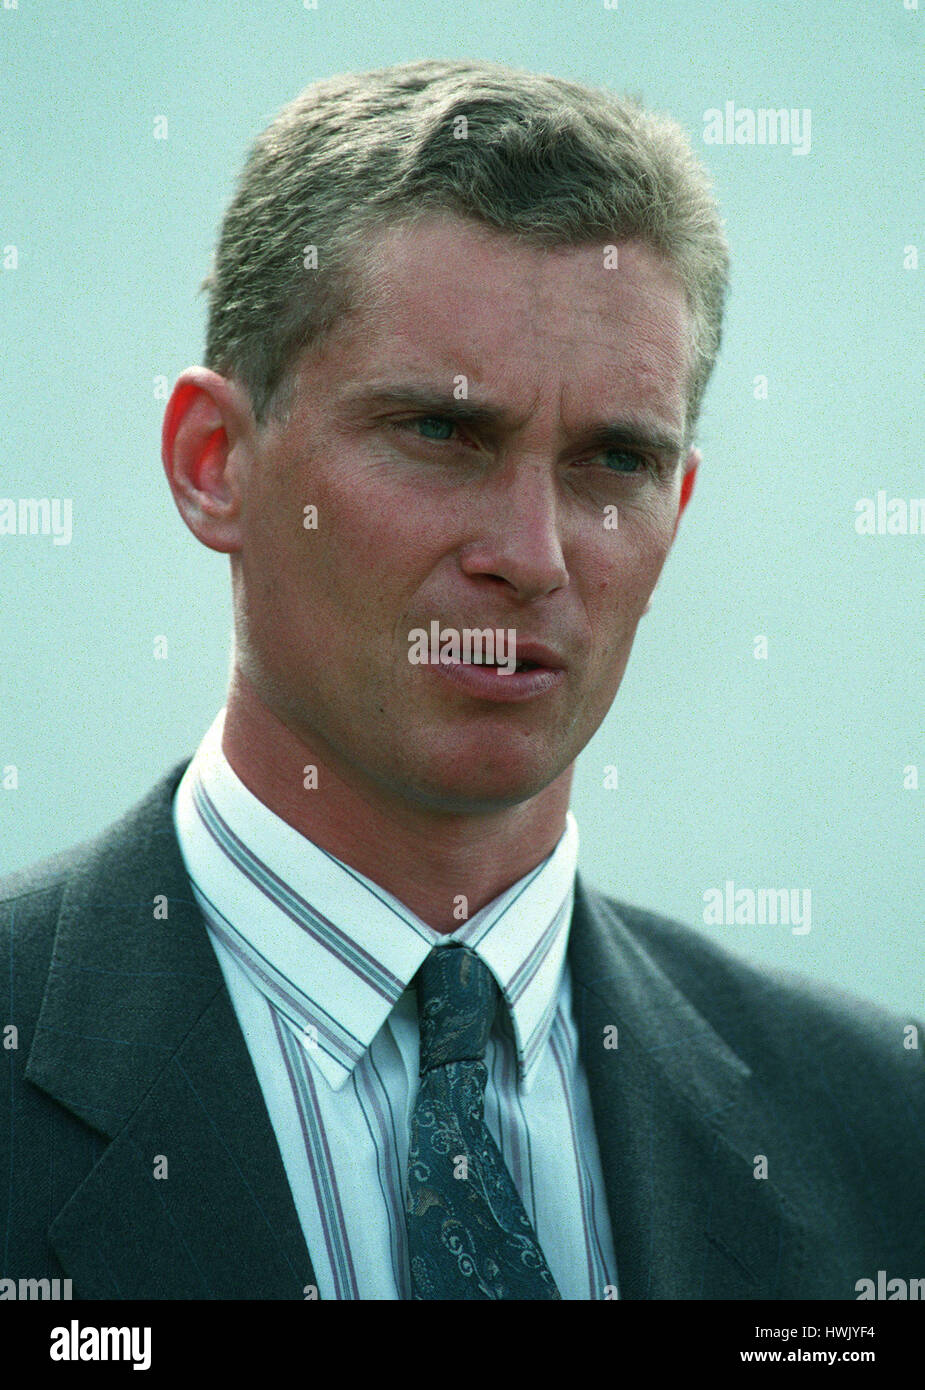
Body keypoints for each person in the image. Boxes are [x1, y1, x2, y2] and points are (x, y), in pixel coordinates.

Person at [2, 59, 922, 1302]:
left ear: (679, 505)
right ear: (214, 461)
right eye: (440, 432)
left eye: (614, 461)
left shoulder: (883, 1133)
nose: (533, 557)